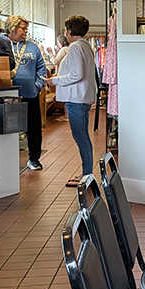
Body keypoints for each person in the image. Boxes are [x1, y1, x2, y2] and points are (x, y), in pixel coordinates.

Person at [46, 15, 97, 188]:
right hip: (82, 96)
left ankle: (87, 174)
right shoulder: (85, 46)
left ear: (69, 31)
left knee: (80, 135)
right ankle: (87, 172)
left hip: (76, 97)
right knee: (83, 135)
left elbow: (76, 74)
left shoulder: (75, 47)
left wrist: (55, 80)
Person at [4, 15, 46, 170]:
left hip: (30, 93)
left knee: (34, 128)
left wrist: (37, 85)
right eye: (23, 28)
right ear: (12, 28)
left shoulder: (32, 47)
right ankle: (6, 162)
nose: (26, 31)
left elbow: (41, 68)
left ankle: (34, 159)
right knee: (8, 128)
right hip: (7, 94)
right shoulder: (1, 43)